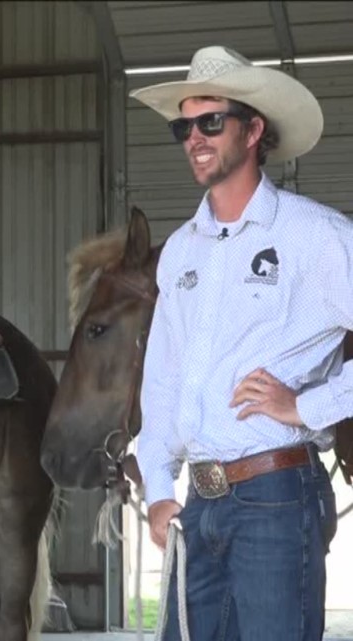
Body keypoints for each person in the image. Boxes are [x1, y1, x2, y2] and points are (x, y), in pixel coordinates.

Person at [131, 45, 345, 640]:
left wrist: (306, 406)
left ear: (253, 130)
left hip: (276, 498)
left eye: (211, 121)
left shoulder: (316, 236)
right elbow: (163, 381)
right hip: (200, 506)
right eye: (185, 125)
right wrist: (155, 489)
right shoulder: (180, 252)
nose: (194, 137)